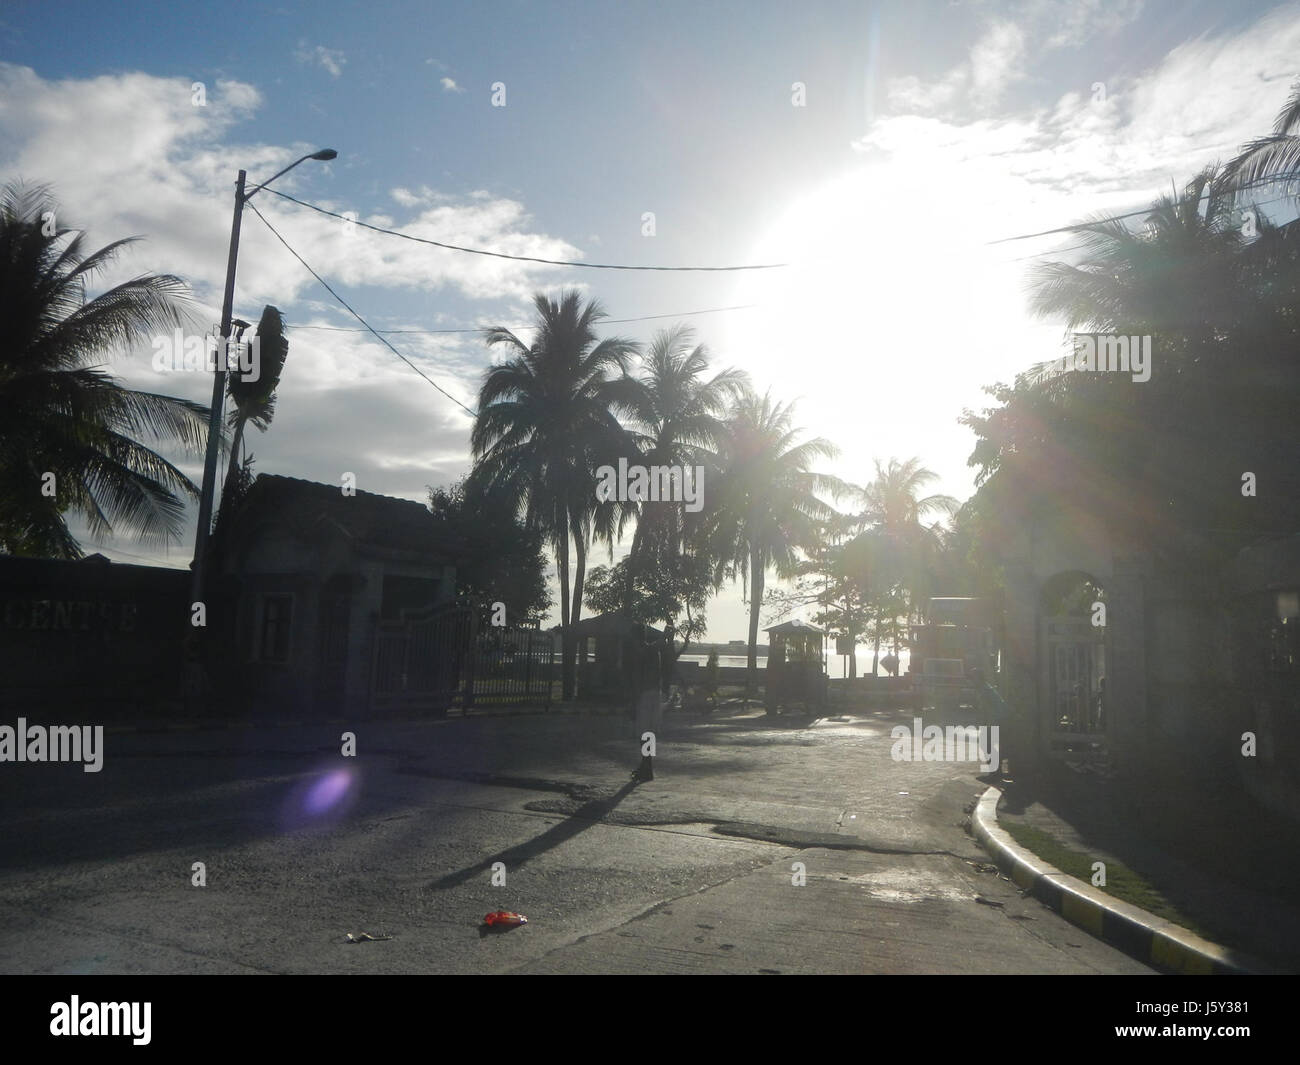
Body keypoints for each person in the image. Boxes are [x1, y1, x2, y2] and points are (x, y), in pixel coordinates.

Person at [630, 625, 665, 782]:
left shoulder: (642, 653)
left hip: (645, 694)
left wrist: (633, 700)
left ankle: (646, 767)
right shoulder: (653, 651)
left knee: (644, 733)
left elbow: (637, 678)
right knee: (649, 732)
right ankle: (647, 767)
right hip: (654, 693)